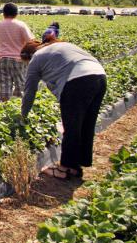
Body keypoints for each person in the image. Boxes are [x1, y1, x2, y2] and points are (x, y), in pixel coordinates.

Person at [20, 39, 106, 180]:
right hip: (100, 76)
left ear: (29, 55)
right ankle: (76, 165)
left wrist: (23, 115)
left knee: (72, 126)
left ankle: (64, 168)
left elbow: (29, 91)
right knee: (86, 124)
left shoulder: (36, 58)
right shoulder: (60, 46)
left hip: (77, 81)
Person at [0, 2, 34, 101]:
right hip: (18, 59)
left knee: (4, 87)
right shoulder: (21, 25)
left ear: (3, 13)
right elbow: (30, 41)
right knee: (21, 86)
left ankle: (5, 109)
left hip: (2, 60)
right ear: (16, 13)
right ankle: (19, 109)